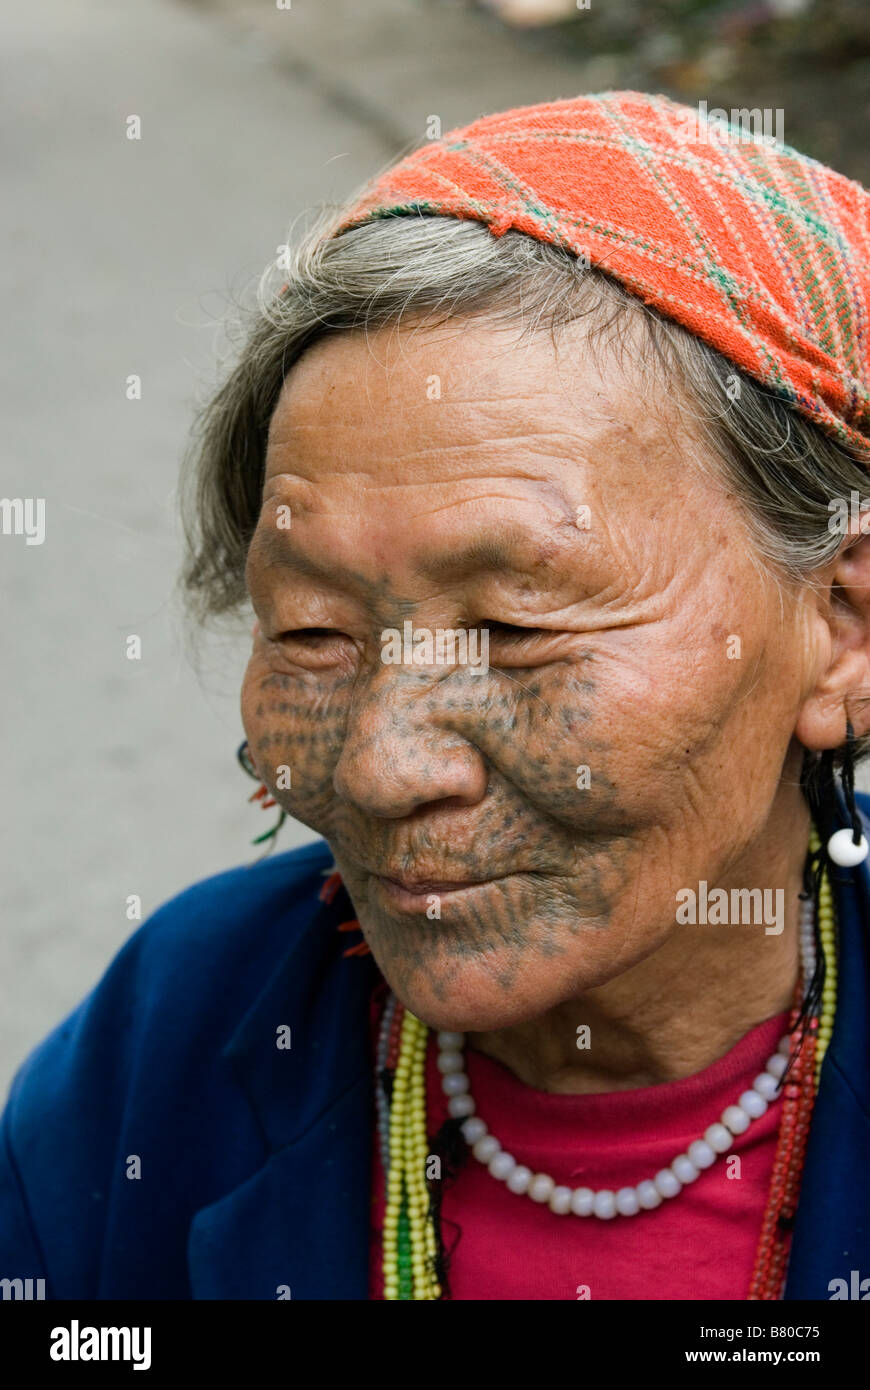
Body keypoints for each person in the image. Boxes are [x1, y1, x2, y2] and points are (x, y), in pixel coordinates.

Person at [2, 91, 870, 1301]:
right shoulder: (175, 1030)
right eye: (312, 630)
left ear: (842, 626)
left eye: (515, 625)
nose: (381, 766)